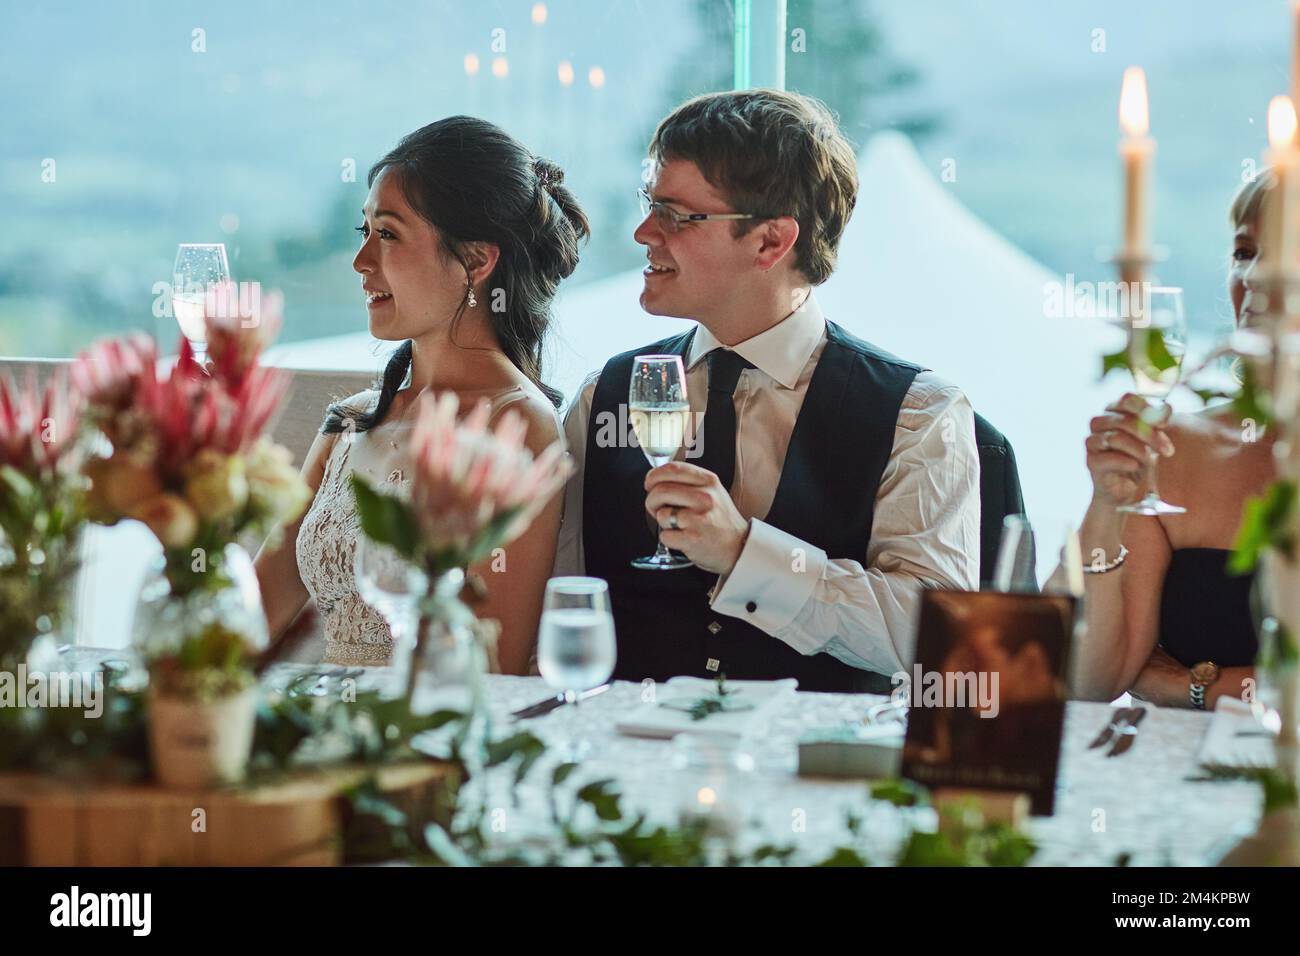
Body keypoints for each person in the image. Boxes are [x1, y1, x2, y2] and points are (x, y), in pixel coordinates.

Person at [554, 89, 981, 692]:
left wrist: (745, 554)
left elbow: (940, 639)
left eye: (676, 215)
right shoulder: (606, 395)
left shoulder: (919, 413)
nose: (644, 232)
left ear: (771, 242)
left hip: (821, 772)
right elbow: (560, 596)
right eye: (650, 205)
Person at [255, 116, 590, 672]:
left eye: (387, 234)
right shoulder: (354, 419)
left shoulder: (518, 427)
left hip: (423, 743)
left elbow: (490, 668)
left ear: (477, 261)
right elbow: (254, 616)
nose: (361, 262)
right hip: (315, 739)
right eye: (363, 232)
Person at [1061, 171, 1276, 709]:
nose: (1251, 276)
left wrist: (1191, 686)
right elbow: (1089, 682)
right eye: (1245, 252)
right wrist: (1107, 506)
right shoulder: (1175, 447)